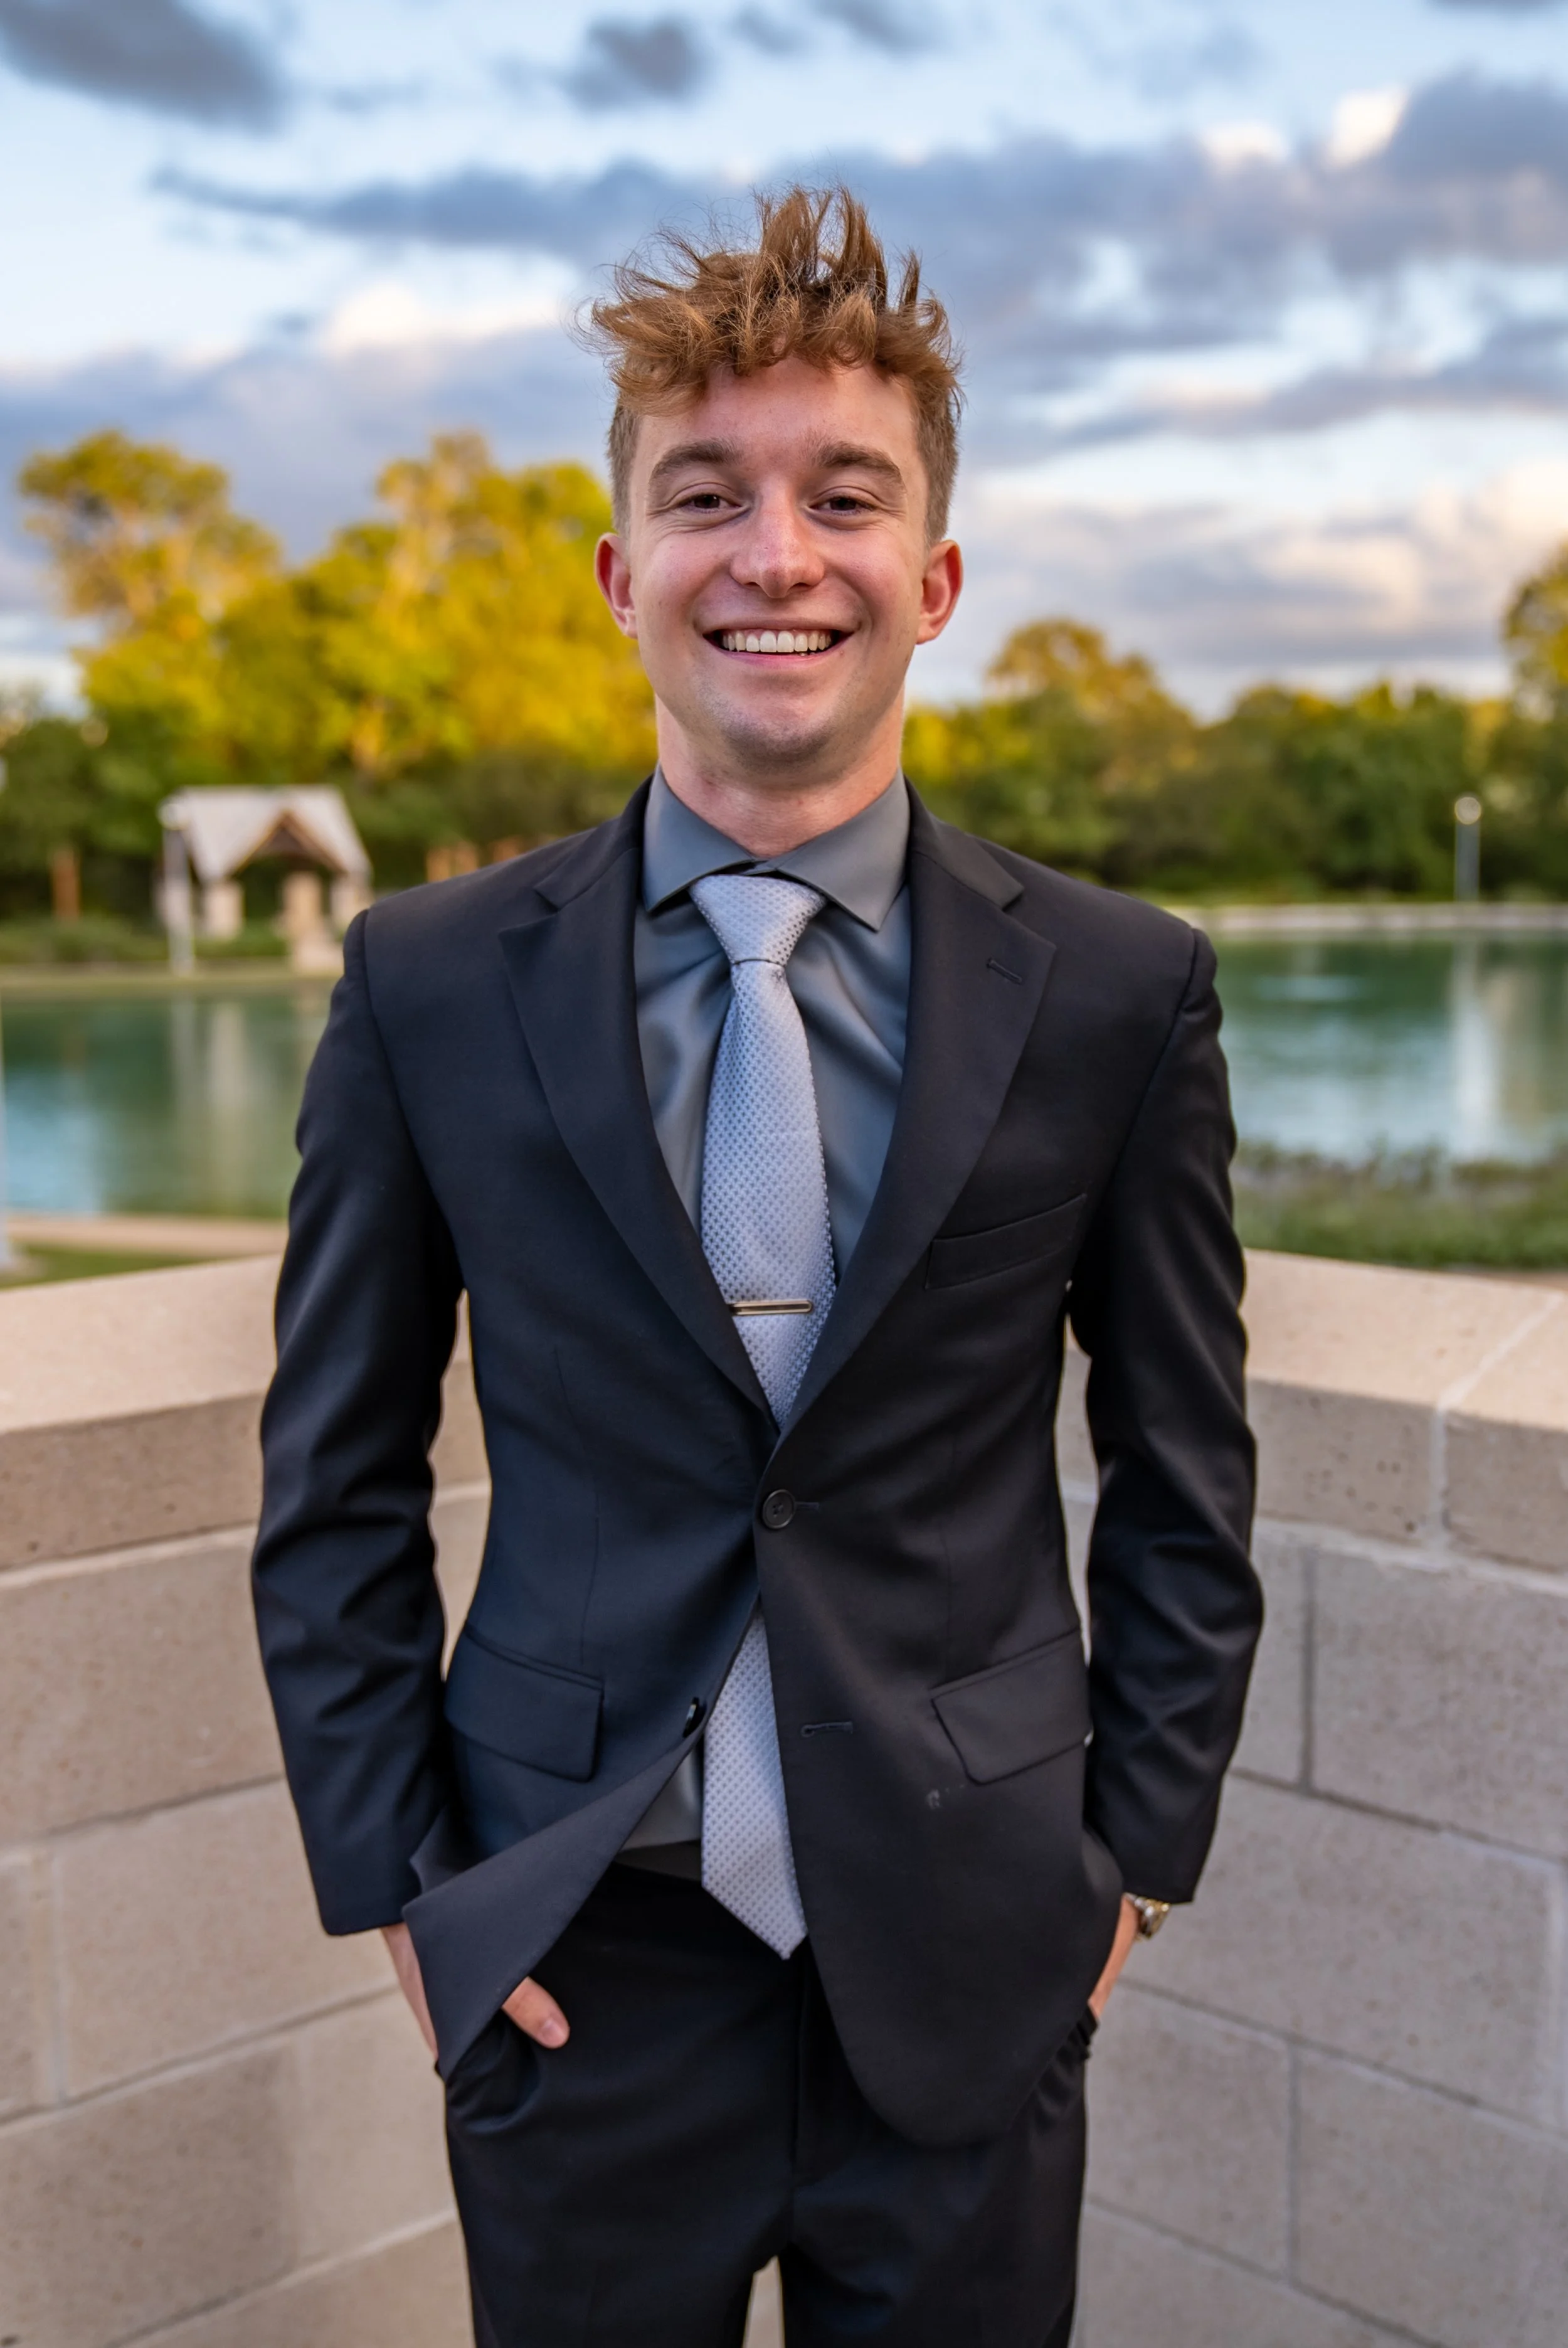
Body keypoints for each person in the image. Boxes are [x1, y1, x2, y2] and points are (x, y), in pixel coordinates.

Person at [253, 184, 1260, 2348]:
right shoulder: (423, 982)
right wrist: (415, 1895)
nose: (774, 551)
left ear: (937, 577)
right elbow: (330, 1486)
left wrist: (1129, 1871)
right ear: (625, 574)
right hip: (572, 1959)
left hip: (978, 1957)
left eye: (843, 495)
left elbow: (1185, 1473)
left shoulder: (1115, 989)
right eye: (704, 494)